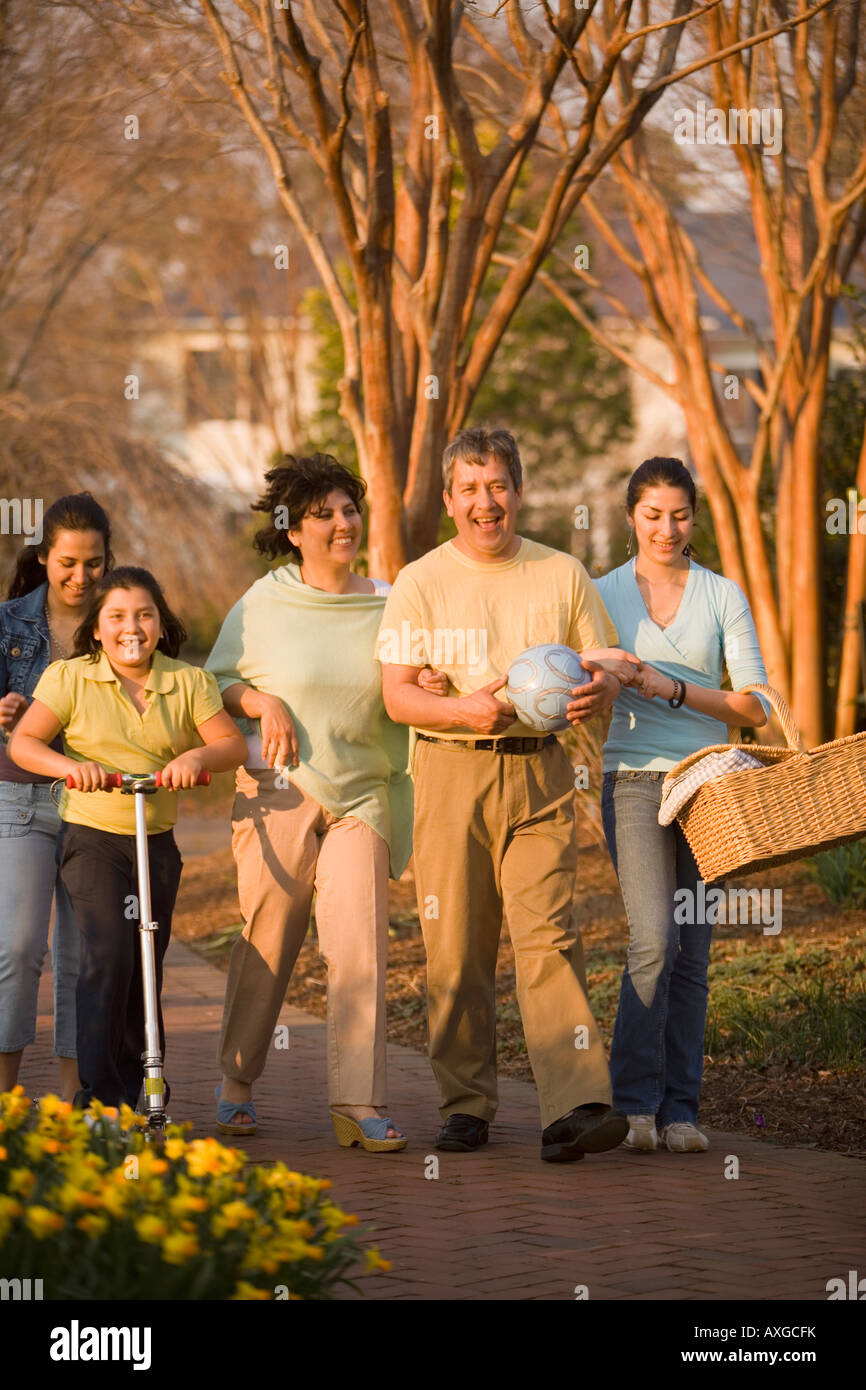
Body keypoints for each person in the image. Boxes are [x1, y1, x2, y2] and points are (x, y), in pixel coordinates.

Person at [377, 426, 636, 1162]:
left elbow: (608, 662)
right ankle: (466, 1104)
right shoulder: (420, 580)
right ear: (450, 500)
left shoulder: (562, 573)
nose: (484, 503)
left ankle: (577, 1104)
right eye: (469, 489)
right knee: (455, 947)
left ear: (518, 493)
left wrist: (598, 690)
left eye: (497, 487)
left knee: (549, 936)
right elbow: (398, 697)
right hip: (451, 770)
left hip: (541, 772)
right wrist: (460, 707)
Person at [205, 455, 415, 1151]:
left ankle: (358, 1101)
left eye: (349, 509)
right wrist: (260, 699)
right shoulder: (263, 602)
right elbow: (218, 682)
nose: (343, 523)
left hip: (362, 794)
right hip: (278, 791)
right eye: (324, 514)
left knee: (360, 947)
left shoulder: (390, 601)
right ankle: (237, 1080)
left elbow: (409, 688)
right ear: (293, 529)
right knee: (270, 939)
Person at [8, 567, 246, 1108]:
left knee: (145, 961)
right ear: (98, 629)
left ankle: (138, 1088)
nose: (130, 627)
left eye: (144, 614)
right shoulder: (70, 678)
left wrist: (195, 756)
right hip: (93, 837)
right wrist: (71, 767)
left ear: (161, 625)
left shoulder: (188, 682)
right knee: (111, 954)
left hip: (155, 839)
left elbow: (229, 746)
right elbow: (25, 744)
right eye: (116, 616)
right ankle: (99, 1099)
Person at [595, 457, 770, 1153]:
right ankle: (634, 1106)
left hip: (709, 782)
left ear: (694, 518)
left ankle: (680, 1112)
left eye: (679, 514)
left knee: (692, 953)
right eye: (652, 514)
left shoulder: (721, 594)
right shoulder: (601, 592)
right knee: (653, 941)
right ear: (631, 516)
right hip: (633, 779)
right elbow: (567, 669)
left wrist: (667, 687)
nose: (666, 528)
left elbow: (752, 706)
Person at [0, 492, 113, 1101]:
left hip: (95, 806)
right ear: (45, 557)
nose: (81, 576)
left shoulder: (119, 620)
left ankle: (73, 1102)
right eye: (68, 562)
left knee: (81, 958)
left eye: (93, 563)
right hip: (19, 801)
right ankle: (6, 1104)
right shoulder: (9, 621)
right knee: (17, 949)